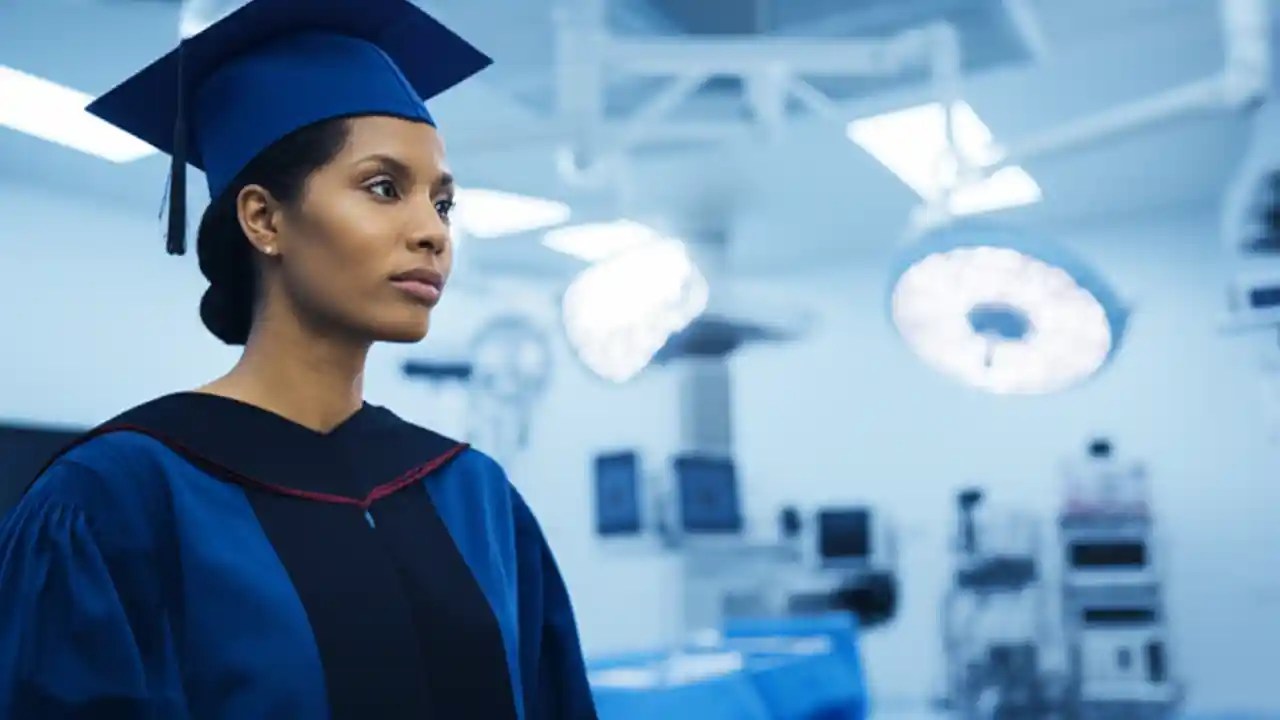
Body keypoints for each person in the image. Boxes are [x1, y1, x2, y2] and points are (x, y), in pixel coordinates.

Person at [0, 0, 598, 717]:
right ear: (264, 218)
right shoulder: (116, 501)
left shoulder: (476, 497)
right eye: (384, 188)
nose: (432, 234)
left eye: (443, 204)